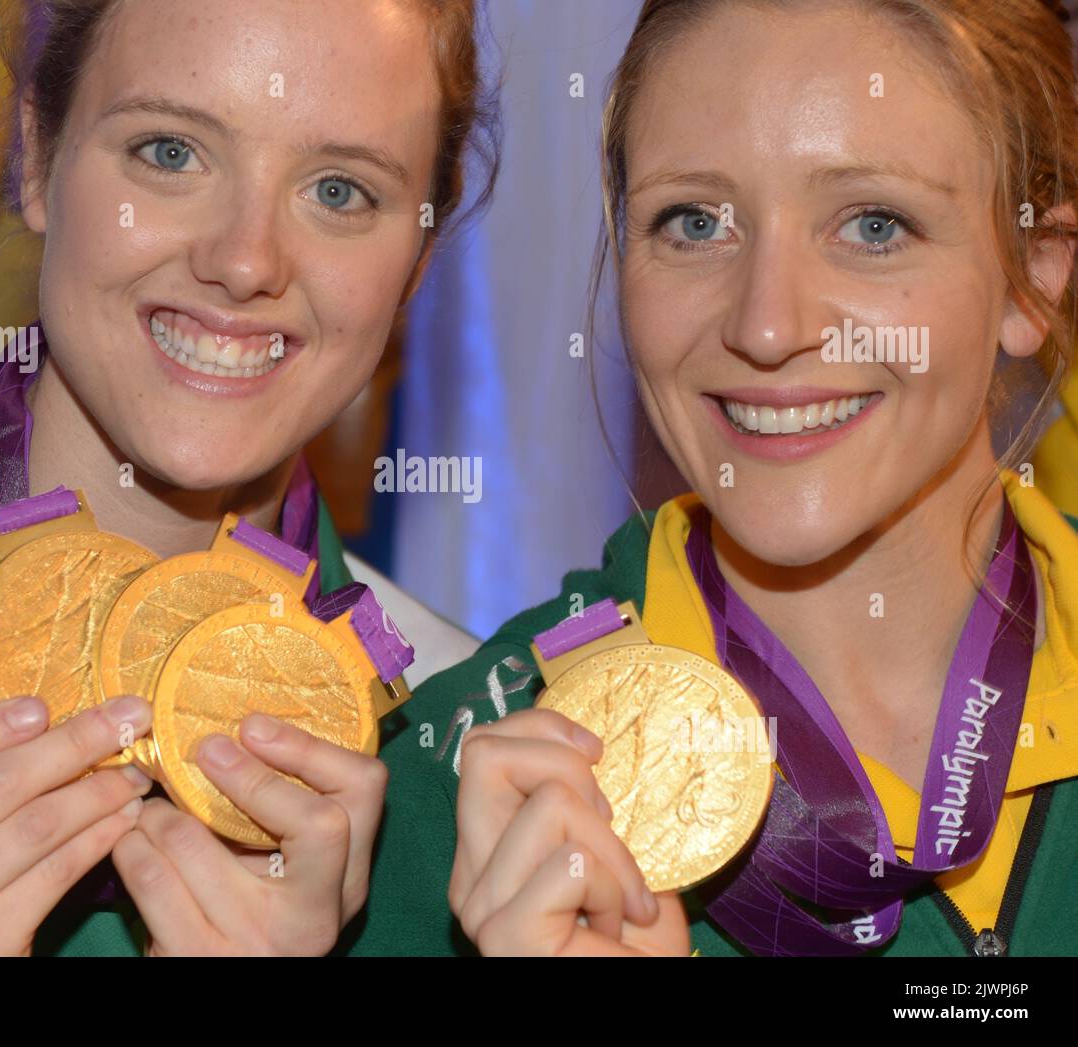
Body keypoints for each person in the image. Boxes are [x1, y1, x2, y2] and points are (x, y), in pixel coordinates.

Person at [354, 0, 1078, 956]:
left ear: (1033, 274)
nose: (767, 325)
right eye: (694, 221)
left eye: (872, 222)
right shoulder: (433, 814)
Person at [0, 0, 496, 957]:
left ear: (420, 254)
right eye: (169, 152)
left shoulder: (468, 771)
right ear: (36, 154)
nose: (244, 261)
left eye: (338, 190)